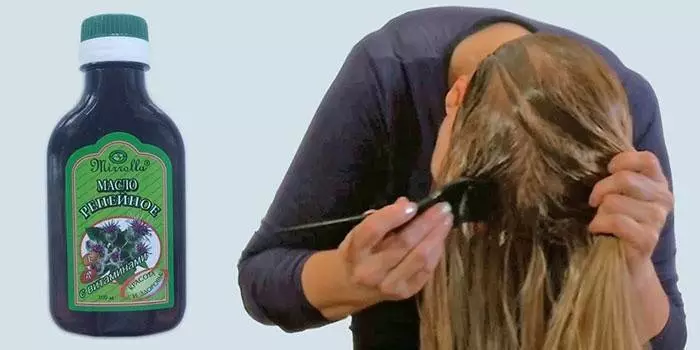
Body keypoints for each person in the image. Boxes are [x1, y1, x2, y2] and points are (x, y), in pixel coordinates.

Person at [237, 6, 686, 350]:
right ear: (454, 100)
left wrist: (634, 269)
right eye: (475, 216)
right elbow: (261, 277)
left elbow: (666, 338)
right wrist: (349, 277)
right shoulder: (388, 79)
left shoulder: (623, 110)